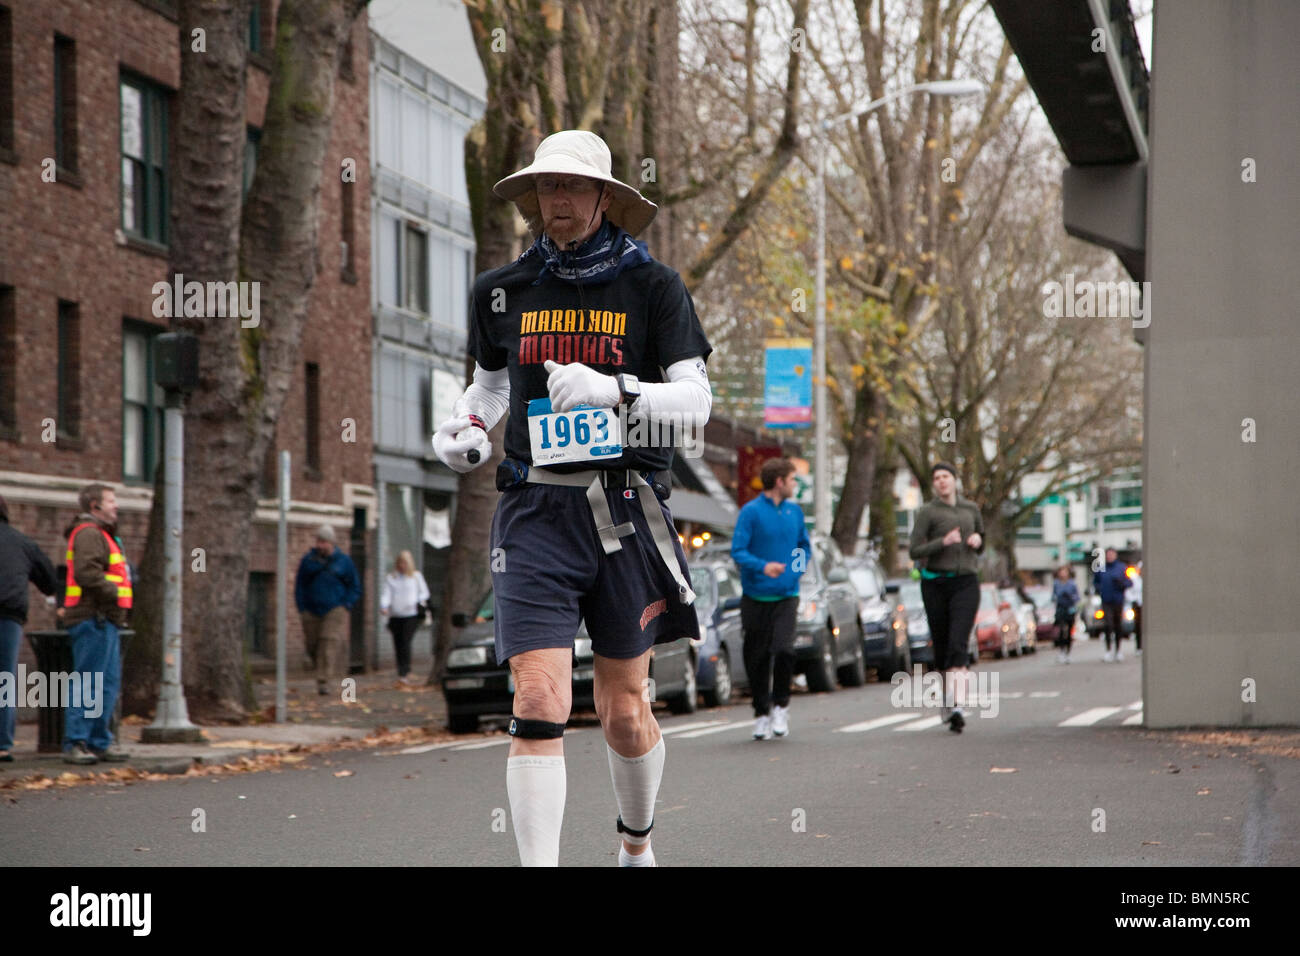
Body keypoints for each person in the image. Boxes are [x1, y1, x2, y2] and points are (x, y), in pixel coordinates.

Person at [432, 129, 711, 867]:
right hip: (534, 510)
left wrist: (616, 392)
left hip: (626, 507)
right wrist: (465, 423)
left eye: (571, 186)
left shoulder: (654, 288)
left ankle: (636, 844)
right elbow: (492, 384)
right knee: (538, 696)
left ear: (604, 198)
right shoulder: (502, 290)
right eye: (545, 187)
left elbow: (695, 405)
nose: (556, 198)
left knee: (623, 711)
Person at [730, 458, 810, 740]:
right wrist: (763, 566)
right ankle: (761, 712)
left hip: (787, 595)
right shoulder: (750, 513)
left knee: (785, 650)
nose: (794, 485)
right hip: (755, 596)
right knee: (757, 657)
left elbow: (803, 545)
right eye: (792, 480)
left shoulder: (795, 512)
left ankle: (781, 706)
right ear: (779, 482)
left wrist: (795, 573)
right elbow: (737, 550)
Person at [908, 462, 984, 733]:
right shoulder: (927, 513)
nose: (941, 481)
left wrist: (977, 539)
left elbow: (981, 537)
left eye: (946, 477)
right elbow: (914, 550)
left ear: (954, 480)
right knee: (941, 645)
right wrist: (943, 542)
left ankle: (958, 706)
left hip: (966, 582)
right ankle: (947, 699)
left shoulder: (970, 509)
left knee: (958, 642)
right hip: (935, 583)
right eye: (937, 478)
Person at [60, 484, 132, 765]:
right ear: (94, 506)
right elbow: (86, 573)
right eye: (111, 501)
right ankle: (77, 741)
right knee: (89, 683)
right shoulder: (89, 533)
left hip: (105, 620)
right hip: (94, 618)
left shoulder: (102, 534)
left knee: (106, 685)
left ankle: (98, 742)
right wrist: (115, 595)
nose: (116, 506)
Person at [0, 495, 59, 761]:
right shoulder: (22, 542)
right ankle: (2, 744)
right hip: (8, 615)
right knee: (5, 679)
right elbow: (48, 579)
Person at [294, 525, 361, 695]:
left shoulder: (344, 562)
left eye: (323, 542)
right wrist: (301, 606)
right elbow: (300, 584)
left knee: (328, 641)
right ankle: (322, 671)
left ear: (331, 542)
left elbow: (354, 586)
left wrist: (346, 604)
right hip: (310, 609)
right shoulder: (308, 560)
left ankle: (324, 681)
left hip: (334, 608)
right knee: (313, 644)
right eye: (318, 541)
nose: (320, 545)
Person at [380, 550, 429, 685]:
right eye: (400, 563)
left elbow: (423, 593)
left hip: (411, 615)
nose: (402, 566)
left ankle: (405, 670)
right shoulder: (392, 578)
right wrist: (384, 606)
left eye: (405, 563)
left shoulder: (415, 577)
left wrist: (418, 602)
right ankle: (401, 669)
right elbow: (387, 594)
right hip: (396, 615)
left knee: (406, 641)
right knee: (398, 642)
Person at [1093, 548, 1131, 662]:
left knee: (1118, 625)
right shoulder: (1101, 568)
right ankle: (1108, 650)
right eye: (1108, 554)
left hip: (1118, 600)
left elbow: (1129, 582)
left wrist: (1121, 583)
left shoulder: (1121, 567)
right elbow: (1096, 582)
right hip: (1106, 600)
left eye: (1111, 554)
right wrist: (1100, 589)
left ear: (1115, 555)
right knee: (1108, 624)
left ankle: (1118, 650)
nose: (1109, 556)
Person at [1051, 565, 1080, 664]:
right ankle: (1061, 651)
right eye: (1061, 571)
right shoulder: (1056, 583)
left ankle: (1068, 652)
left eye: (1065, 571)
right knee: (1061, 630)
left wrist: (1070, 597)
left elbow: (1077, 597)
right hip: (1060, 609)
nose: (1063, 574)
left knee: (1068, 631)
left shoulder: (1072, 584)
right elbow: (1053, 596)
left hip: (1070, 609)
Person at [1129, 562, 1143, 656]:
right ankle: (1139, 647)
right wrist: (1133, 599)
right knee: (1138, 625)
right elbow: (1128, 591)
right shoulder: (1134, 579)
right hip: (1137, 604)